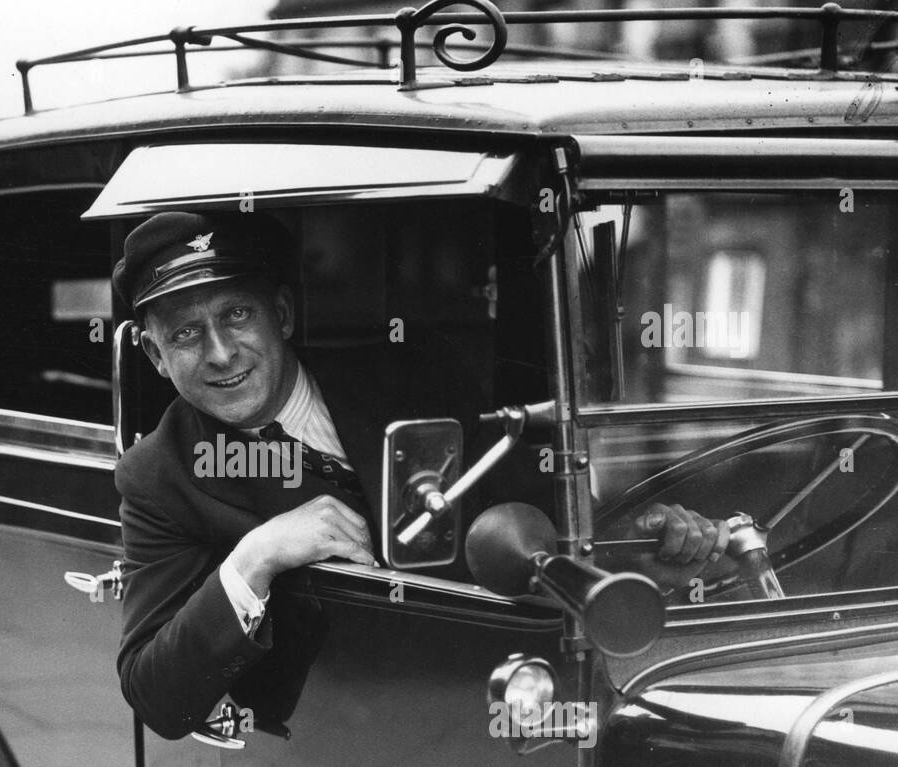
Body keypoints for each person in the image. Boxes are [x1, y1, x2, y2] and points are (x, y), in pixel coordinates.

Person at [112, 211, 727, 739]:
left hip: (519, 696)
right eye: (187, 333)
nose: (220, 352)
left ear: (282, 313)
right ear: (154, 355)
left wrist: (640, 557)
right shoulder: (159, 475)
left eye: (238, 315)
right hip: (348, 748)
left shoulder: (413, 377)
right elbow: (156, 695)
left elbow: (545, 520)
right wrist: (254, 559)